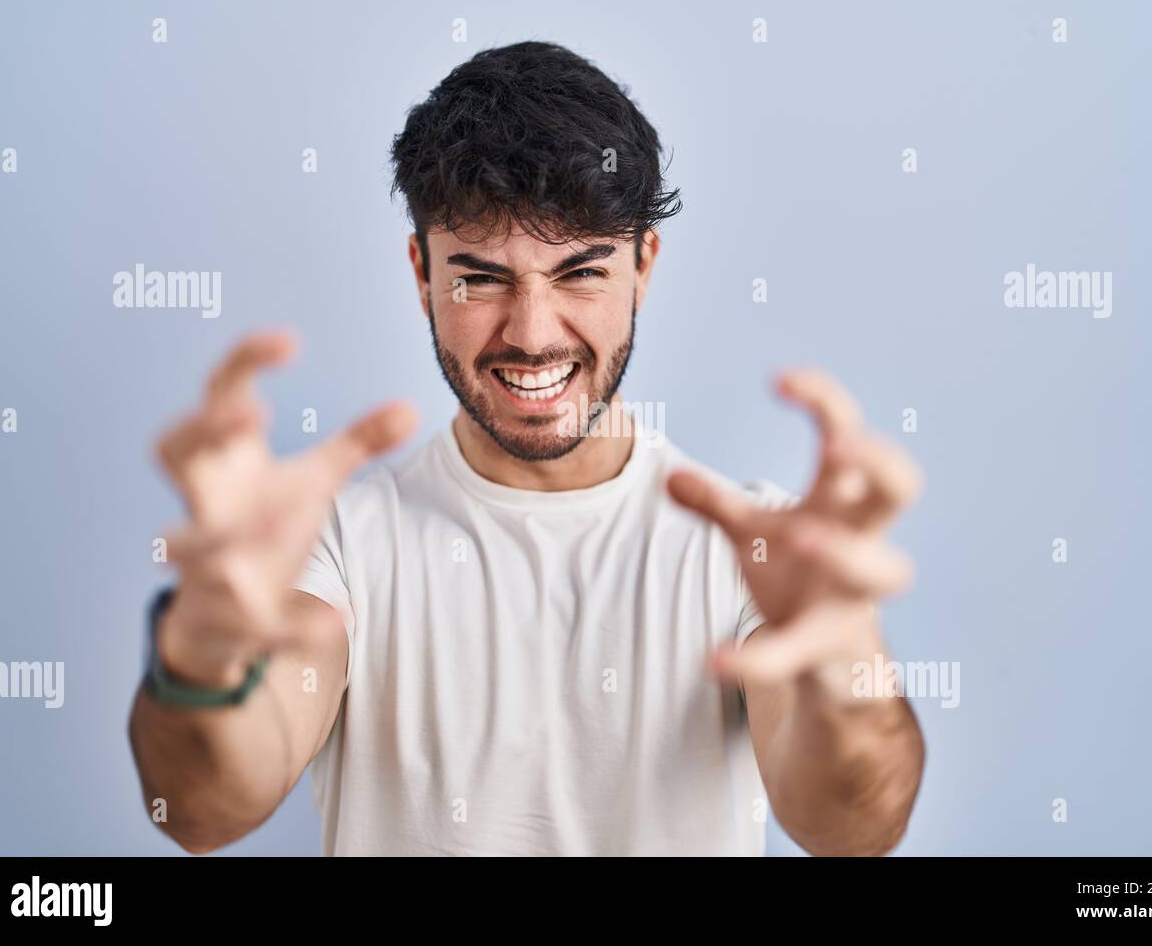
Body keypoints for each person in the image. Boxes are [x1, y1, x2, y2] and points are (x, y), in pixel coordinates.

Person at [128, 41, 925, 856]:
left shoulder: (761, 551)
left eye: (580, 272)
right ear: (421, 274)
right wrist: (199, 663)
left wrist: (848, 677)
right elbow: (203, 811)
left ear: (644, 265)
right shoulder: (335, 544)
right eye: (480, 277)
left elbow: (853, 828)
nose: (533, 336)